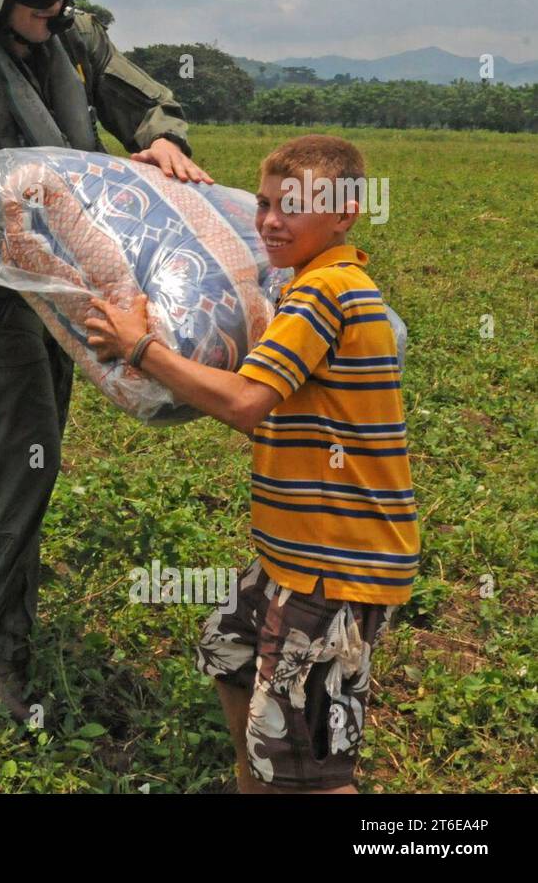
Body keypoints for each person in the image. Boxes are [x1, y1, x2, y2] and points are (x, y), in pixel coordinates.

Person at [0, 0, 210, 724]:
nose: (58, 3)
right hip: (0, 291)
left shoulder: (76, 37)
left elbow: (141, 99)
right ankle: (0, 649)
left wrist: (159, 138)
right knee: (26, 462)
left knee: (16, 447)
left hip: (75, 286)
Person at [85, 134, 419, 792]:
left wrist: (140, 346)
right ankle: (254, 784)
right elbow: (270, 418)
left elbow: (244, 404)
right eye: (264, 204)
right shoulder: (311, 290)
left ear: (345, 214)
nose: (269, 221)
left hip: (333, 568)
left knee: (313, 769)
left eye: (291, 207)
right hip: (293, 556)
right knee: (230, 647)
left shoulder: (325, 295)